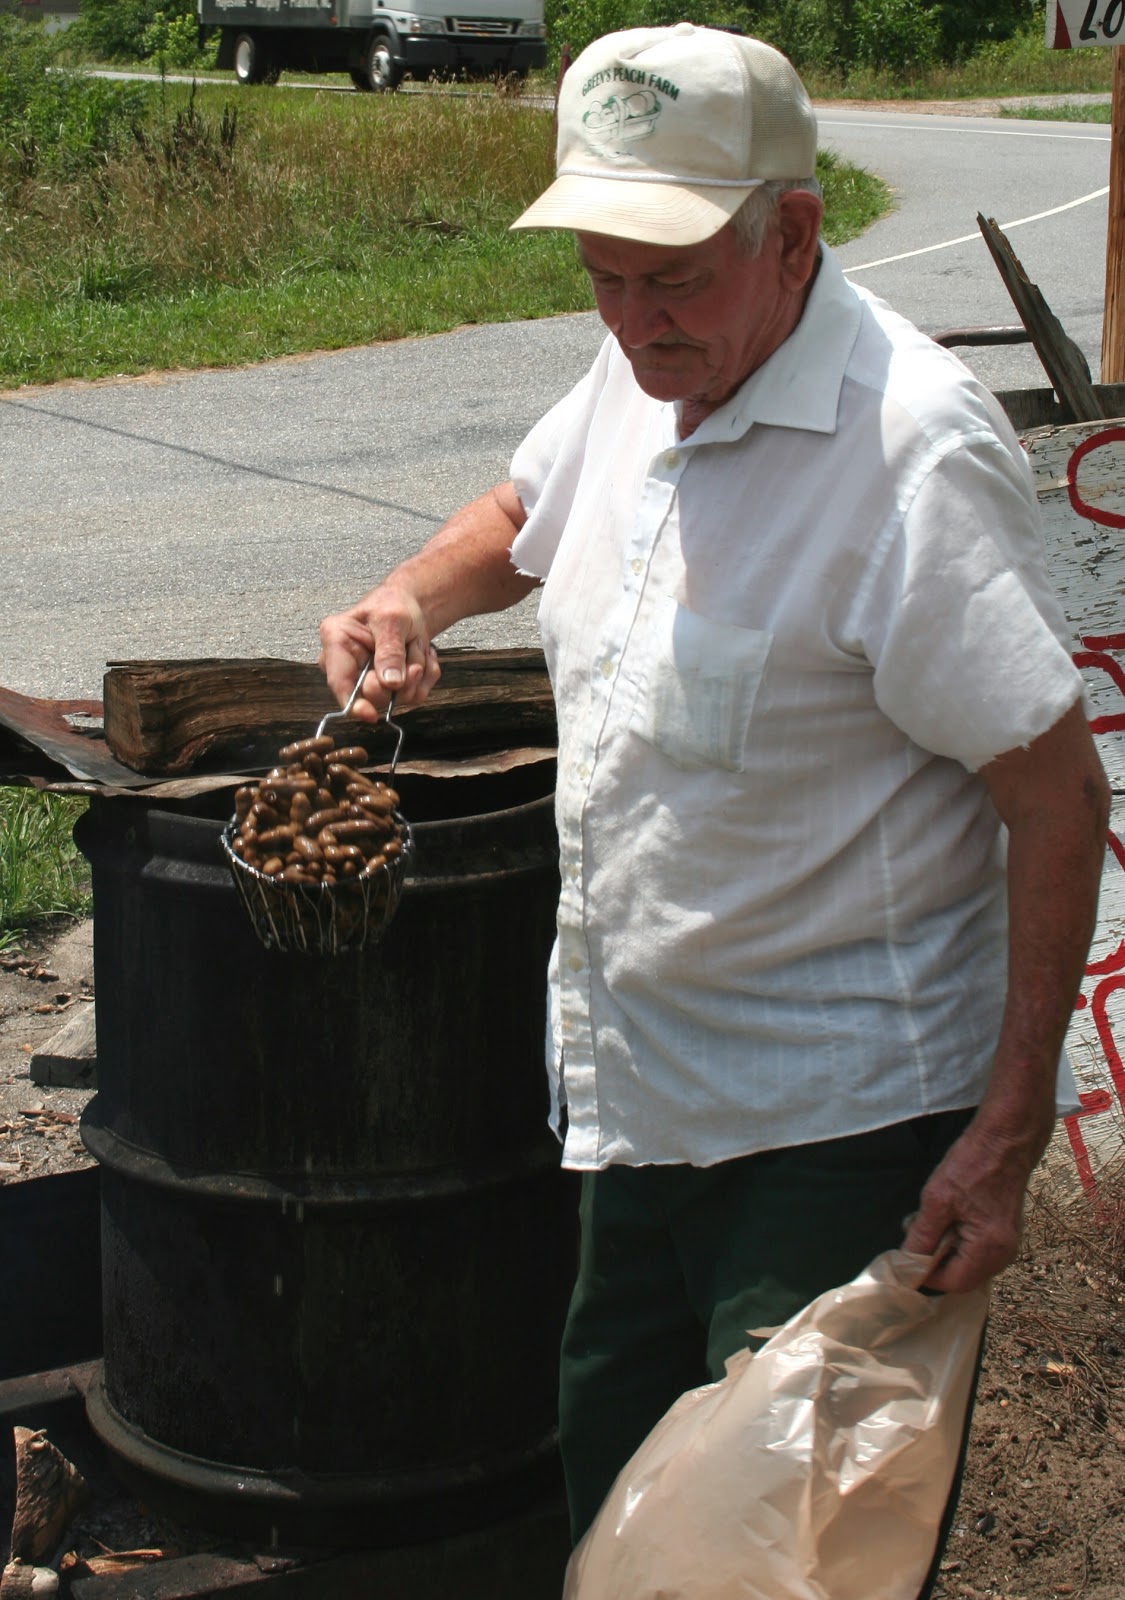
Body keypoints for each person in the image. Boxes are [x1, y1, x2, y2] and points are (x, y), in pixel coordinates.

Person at [320, 21, 1110, 1560]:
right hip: (636, 1106)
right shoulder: (650, 357)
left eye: (668, 275)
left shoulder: (902, 455)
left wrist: (1007, 1130)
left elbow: (1055, 797)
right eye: (602, 275)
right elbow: (521, 505)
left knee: (781, 1563)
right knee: (622, 1530)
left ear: (793, 231)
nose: (629, 318)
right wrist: (414, 591)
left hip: (837, 1141)